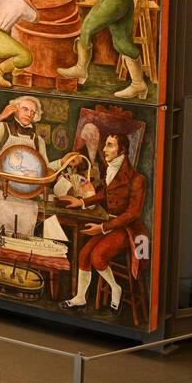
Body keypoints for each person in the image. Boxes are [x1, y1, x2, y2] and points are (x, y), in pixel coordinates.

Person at [59, 133, 146, 313]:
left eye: (110, 145)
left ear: (121, 149)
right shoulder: (110, 170)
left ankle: (116, 288)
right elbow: (104, 194)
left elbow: (133, 213)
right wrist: (81, 202)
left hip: (126, 228)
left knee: (97, 257)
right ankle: (80, 298)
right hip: (109, 223)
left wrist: (103, 227)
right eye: (105, 145)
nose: (104, 149)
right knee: (84, 254)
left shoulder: (137, 179)